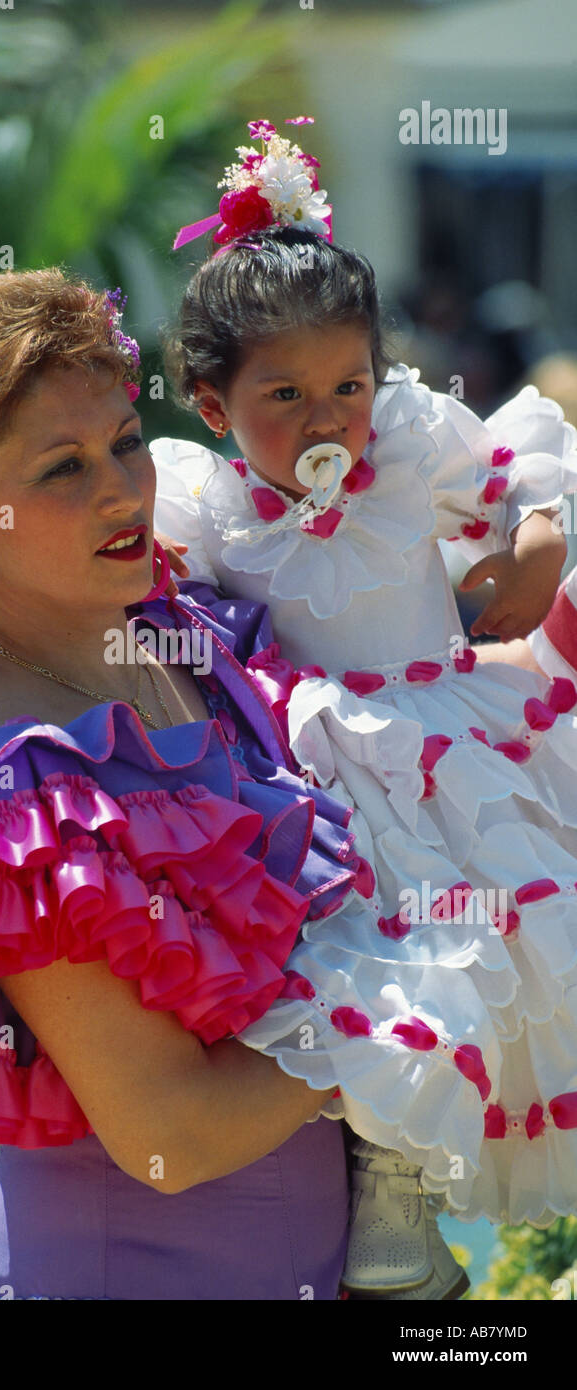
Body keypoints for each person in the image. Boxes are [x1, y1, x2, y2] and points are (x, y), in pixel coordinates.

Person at [0, 266, 401, 1301]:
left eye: (123, 439)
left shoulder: (184, 626)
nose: (123, 489)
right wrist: (410, 1020)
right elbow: (173, 1132)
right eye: (62, 469)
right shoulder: (2, 788)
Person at [152, 118, 577, 1299]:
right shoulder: (204, 501)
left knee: (489, 933)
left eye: (347, 383)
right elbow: (145, 599)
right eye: (282, 395)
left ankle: (414, 1183)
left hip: (452, 740)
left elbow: (526, 479)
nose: (326, 417)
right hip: (312, 762)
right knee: (365, 960)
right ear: (207, 401)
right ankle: (380, 1176)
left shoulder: (405, 440)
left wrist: (533, 549)